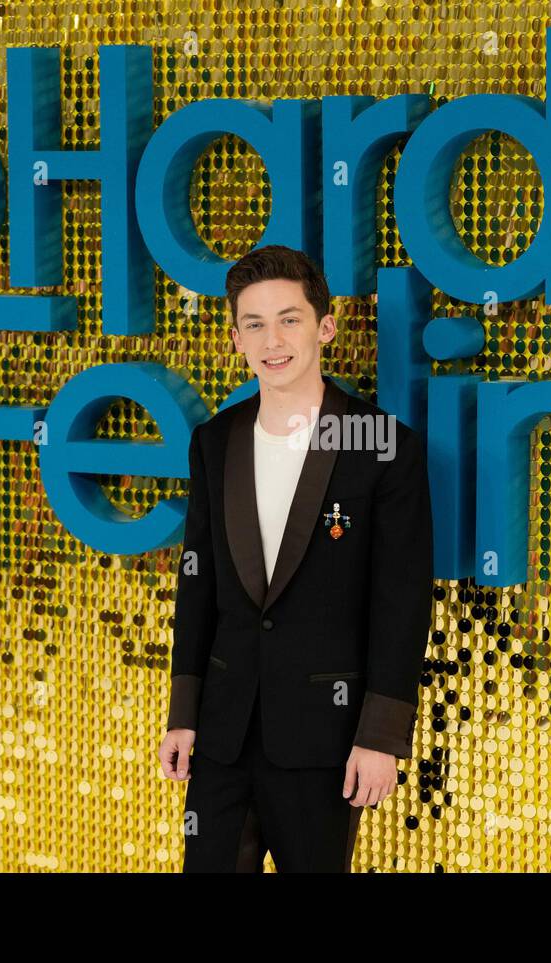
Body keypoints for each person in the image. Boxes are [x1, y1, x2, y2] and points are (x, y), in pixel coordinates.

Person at [156, 244, 434, 872]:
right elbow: (196, 585)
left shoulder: (385, 446)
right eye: (254, 323)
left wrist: (381, 736)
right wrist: (183, 712)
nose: (272, 339)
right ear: (235, 338)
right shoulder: (214, 441)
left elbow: (402, 598)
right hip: (222, 736)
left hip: (325, 739)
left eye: (290, 318)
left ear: (324, 327)